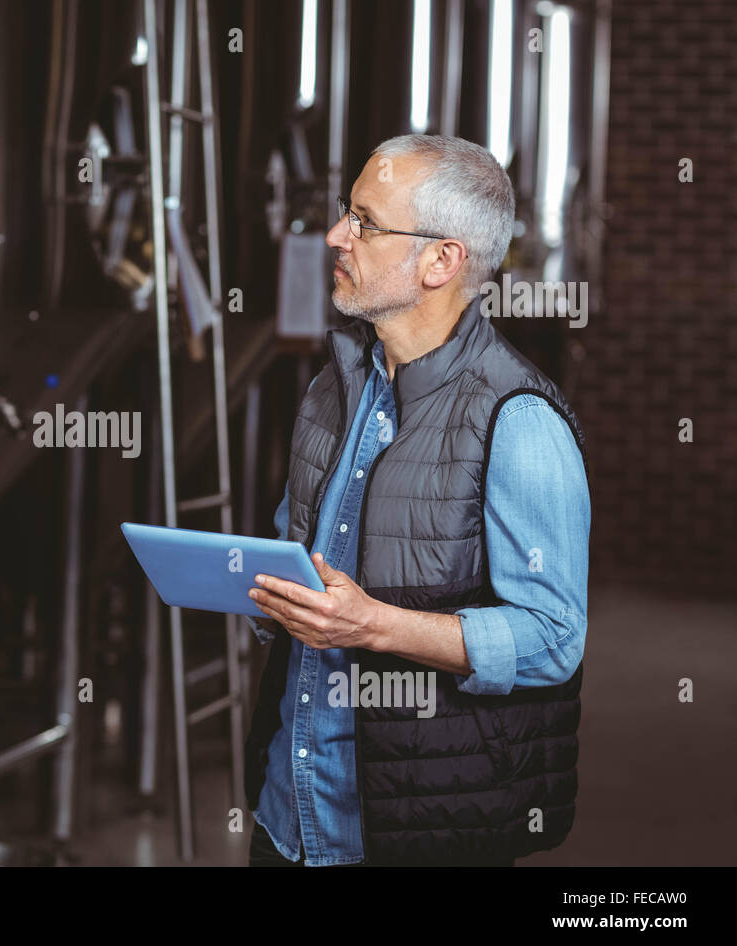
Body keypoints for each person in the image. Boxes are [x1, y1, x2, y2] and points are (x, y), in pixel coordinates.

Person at [243, 134, 590, 867]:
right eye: (346, 213)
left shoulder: (517, 418)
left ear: (441, 261)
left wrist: (374, 626)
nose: (336, 236)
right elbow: (299, 564)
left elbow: (555, 639)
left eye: (365, 221)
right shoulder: (332, 388)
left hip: (416, 833)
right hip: (288, 816)